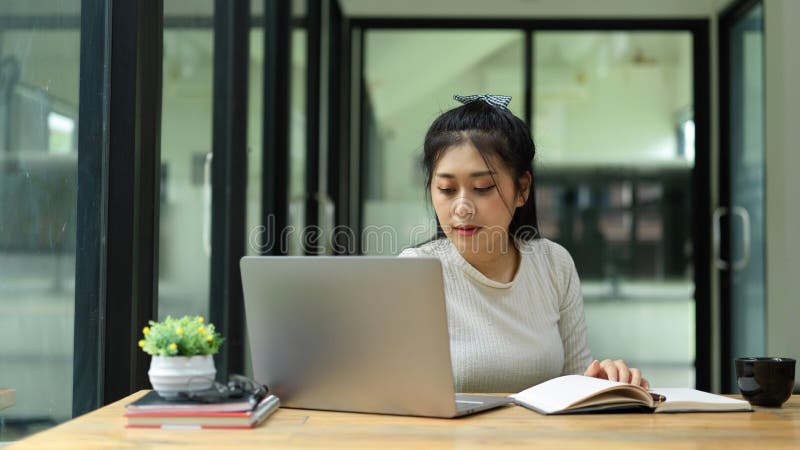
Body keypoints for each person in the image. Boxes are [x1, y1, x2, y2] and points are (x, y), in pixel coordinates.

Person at [399, 94, 649, 393]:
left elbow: (577, 383)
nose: (462, 207)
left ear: (522, 189)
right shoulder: (415, 271)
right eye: (446, 189)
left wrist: (605, 381)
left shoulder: (554, 264)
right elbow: (397, 393)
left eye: (482, 188)